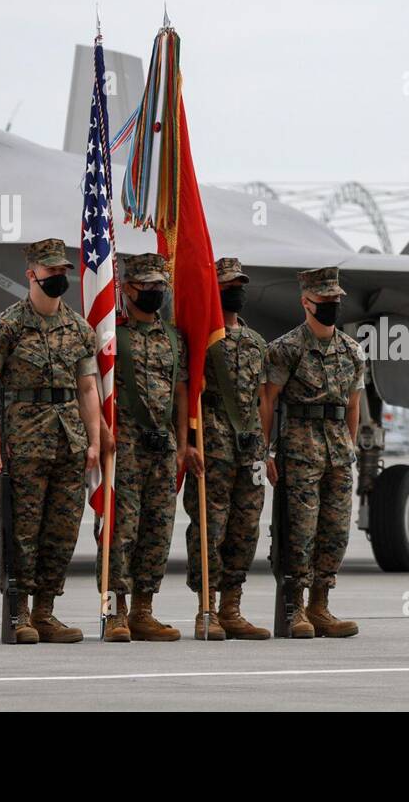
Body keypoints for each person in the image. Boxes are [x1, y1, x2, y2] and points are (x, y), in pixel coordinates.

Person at [0, 238, 100, 644]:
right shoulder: (5, 326)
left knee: (61, 531)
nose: (58, 278)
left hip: (69, 443)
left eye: (63, 271)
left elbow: (87, 389)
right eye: (50, 272)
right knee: (21, 531)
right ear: (31, 275)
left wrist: (94, 441)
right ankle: (18, 613)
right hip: (24, 443)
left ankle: (45, 612)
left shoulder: (78, 329)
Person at [261, 267, 364, 639]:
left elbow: (353, 406)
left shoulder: (352, 351)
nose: (331, 307)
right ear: (306, 302)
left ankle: (321, 606)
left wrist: (349, 447)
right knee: (299, 532)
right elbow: (268, 401)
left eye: (335, 301)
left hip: (337, 454)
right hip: (299, 452)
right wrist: (267, 451)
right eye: (324, 301)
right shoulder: (286, 349)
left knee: (334, 532)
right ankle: (295, 608)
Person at [99, 253, 192, 643]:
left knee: (158, 528)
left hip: (164, 446)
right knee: (123, 528)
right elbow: (98, 388)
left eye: (159, 286)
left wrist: (184, 444)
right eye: (146, 286)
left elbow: (182, 391)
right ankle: (116, 611)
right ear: (128, 289)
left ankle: (143, 610)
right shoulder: (113, 337)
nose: (154, 292)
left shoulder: (173, 338)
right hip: (127, 446)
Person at [186, 257, 270, 641]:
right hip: (213, 445)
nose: (237, 290)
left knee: (245, 529)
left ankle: (232, 607)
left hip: (248, 449)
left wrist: (266, 449)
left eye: (240, 283)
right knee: (209, 528)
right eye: (229, 284)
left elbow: (261, 400)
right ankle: (206, 608)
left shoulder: (256, 344)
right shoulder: (200, 341)